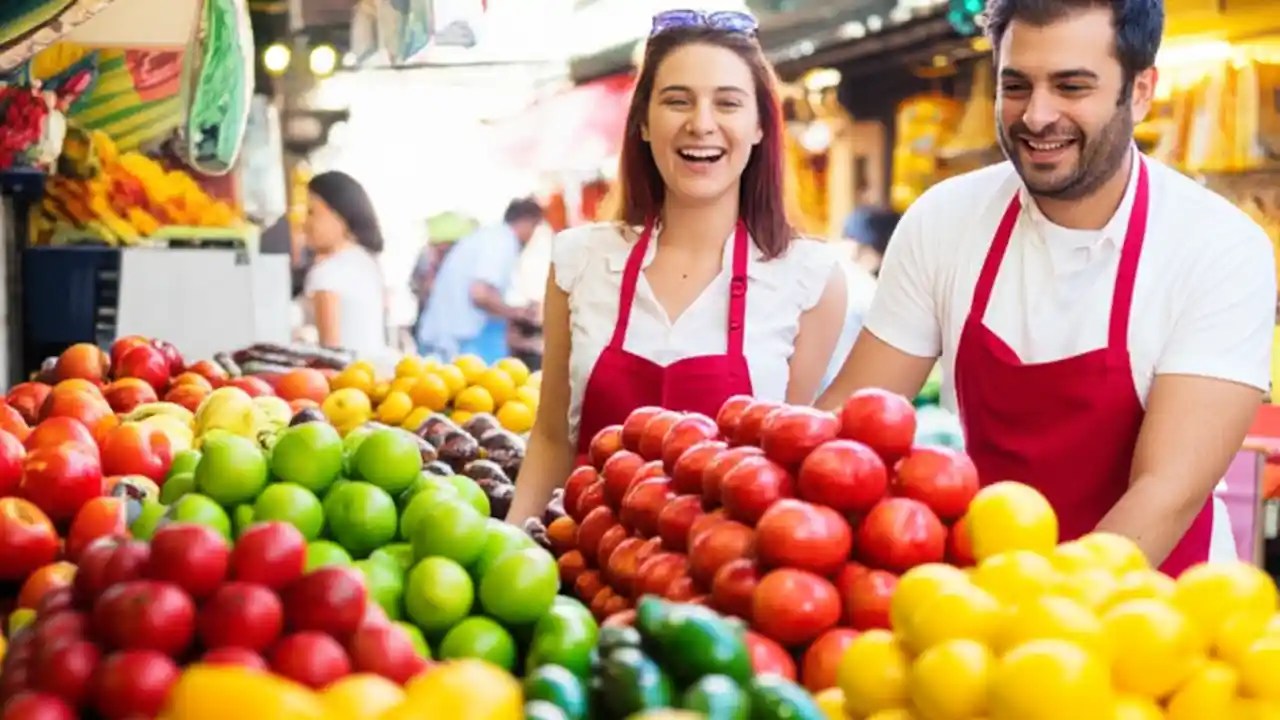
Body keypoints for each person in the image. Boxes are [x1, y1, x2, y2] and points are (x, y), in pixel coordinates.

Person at [818, 0, 1276, 575]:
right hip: (977, 604)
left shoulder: (1217, 247)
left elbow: (1165, 492)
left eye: (1071, 86)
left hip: (1154, 623)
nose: (1036, 115)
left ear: (1139, 91)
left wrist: (1039, 619)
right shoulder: (945, 220)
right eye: (1016, 86)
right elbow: (851, 421)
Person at [506, 9, 847, 524]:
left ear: (759, 127)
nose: (701, 124)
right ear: (643, 122)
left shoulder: (808, 278)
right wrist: (513, 541)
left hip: (722, 580)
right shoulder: (579, 260)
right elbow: (552, 436)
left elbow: (784, 464)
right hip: (581, 570)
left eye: (727, 103)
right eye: (677, 100)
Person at [414, 199, 543, 363]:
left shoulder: (487, 237)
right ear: (527, 222)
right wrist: (517, 313)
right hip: (454, 344)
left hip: (445, 337)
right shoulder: (502, 242)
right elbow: (480, 294)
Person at [301, 171, 390, 358]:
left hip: (349, 381)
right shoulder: (367, 261)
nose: (305, 223)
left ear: (339, 215)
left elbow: (331, 353)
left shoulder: (326, 273)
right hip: (375, 375)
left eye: (312, 212)